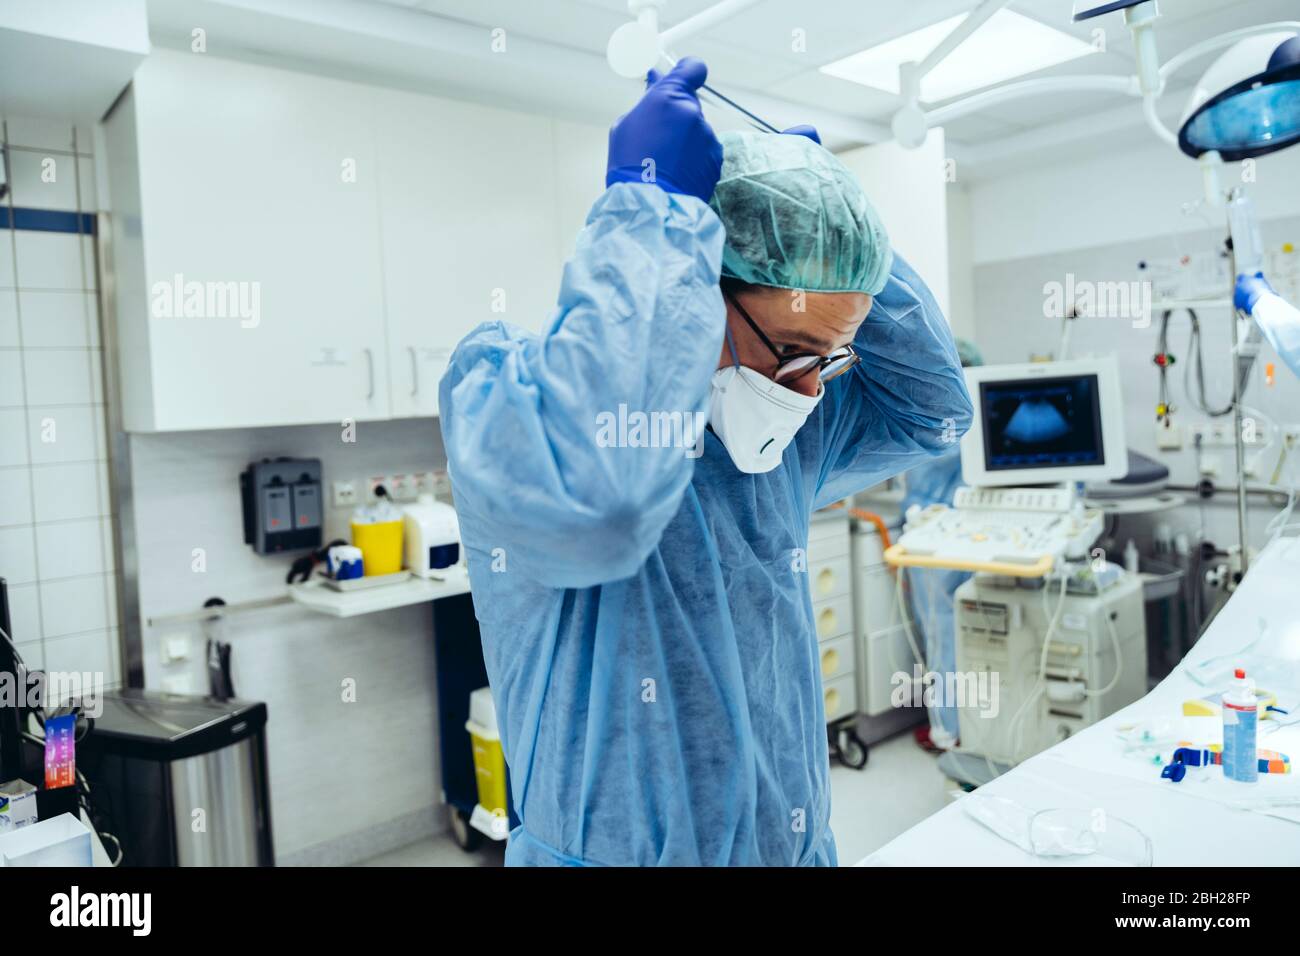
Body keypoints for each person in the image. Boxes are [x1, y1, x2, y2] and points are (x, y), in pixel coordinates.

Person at [438, 58, 972, 866]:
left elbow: (932, 410)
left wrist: (832, 233)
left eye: (826, 360)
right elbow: (604, 508)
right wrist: (654, 213)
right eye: (792, 350)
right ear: (693, 288)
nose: (804, 390)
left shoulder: (778, 441)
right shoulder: (508, 397)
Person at [898, 338, 982, 752]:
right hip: (974, 529)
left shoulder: (924, 404)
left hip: (931, 531)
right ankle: (980, 728)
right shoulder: (973, 404)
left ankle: (947, 731)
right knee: (975, 632)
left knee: (941, 634)